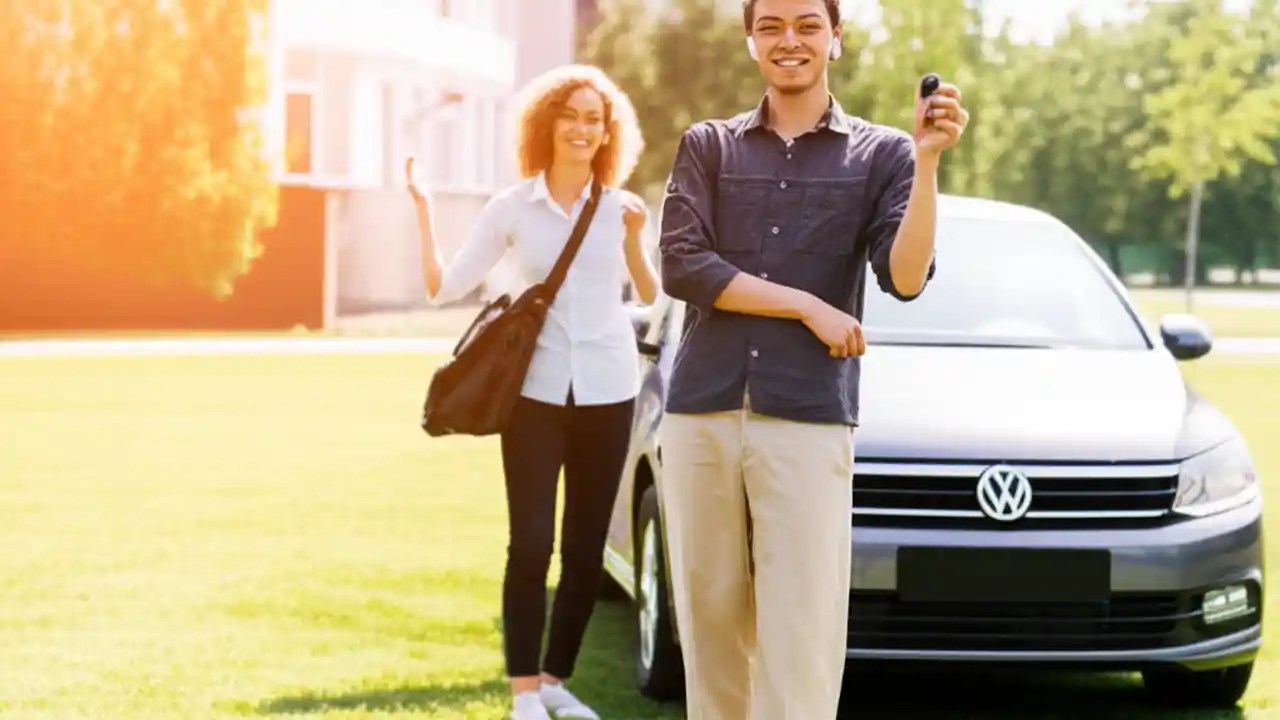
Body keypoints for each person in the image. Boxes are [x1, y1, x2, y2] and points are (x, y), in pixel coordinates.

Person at [655, 0, 970, 717]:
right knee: (709, 634)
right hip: (701, 411)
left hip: (806, 418)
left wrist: (927, 165)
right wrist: (805, 305)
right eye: (770, 26)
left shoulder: (885, 154)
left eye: (806, 24)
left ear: (835, 37)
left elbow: (907, 276)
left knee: (801, 635)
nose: (788, 40)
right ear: (750, 39)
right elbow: (681, 265)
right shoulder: (708, 145)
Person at [407, 64, 657, 720]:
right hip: (537, 396)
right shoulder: (511, 208)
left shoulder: (621, 208)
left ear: (609, 134)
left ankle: (554, 682)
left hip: (609, 390)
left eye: (593, 119)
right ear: (546, 123)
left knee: (583, 552)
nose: (581, 128)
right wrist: (424, 208)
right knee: (531, 544)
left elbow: (653, 295)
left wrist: (635, 242)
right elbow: (444, 286)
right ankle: (523, 692)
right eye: (570, 115)